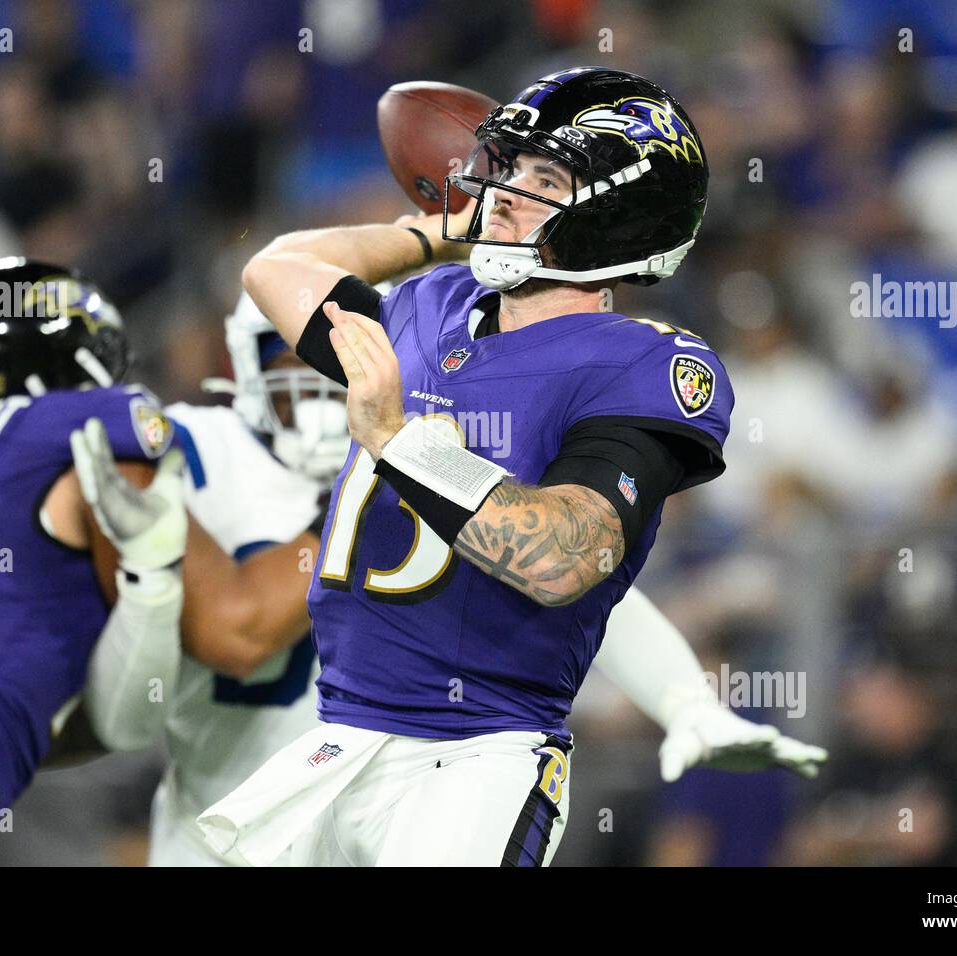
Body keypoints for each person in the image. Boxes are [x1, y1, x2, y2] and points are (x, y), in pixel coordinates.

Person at [197, 67, 823, 866]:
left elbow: (561, 558)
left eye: (545, 178)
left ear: (616, 218)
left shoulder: (641, 363)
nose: (505, 192)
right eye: (511, 169)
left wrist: (402, 444)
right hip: (336, 740)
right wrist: (433, 232)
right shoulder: (429, 303)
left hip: (471, 759)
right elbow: (276, 269)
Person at [0, 258, 302, 864]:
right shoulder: (81, 425)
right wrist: (366, 499)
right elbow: (235, 625)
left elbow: (69, 722)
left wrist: (147, 602)